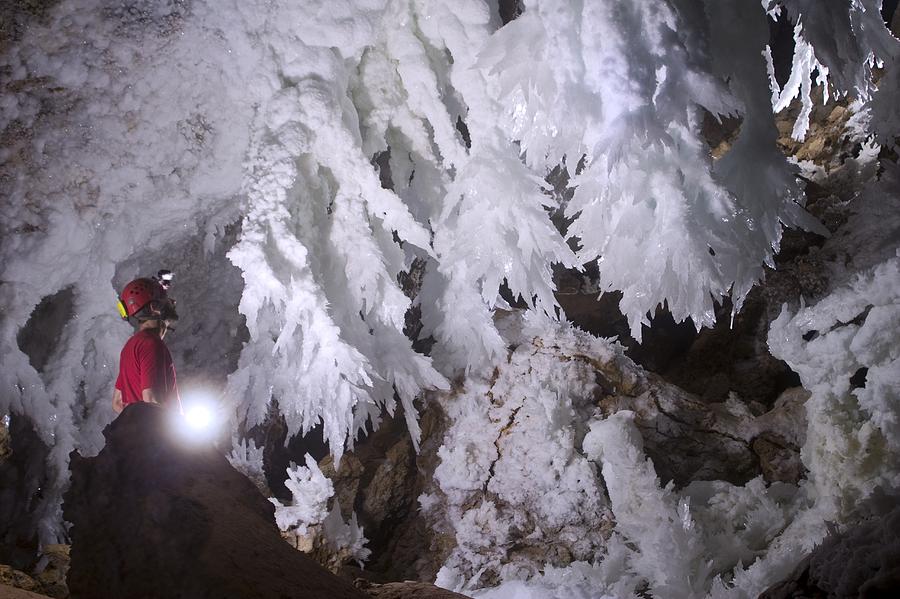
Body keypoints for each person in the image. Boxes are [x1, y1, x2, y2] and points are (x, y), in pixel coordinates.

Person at [112, 273, 182, 414]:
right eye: (165, 298)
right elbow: (151, 399)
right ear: (154, 307)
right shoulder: (151, 344)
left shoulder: (131, 345)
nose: (172, 302)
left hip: (139, 427)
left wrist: (136, 422)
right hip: (159, 427)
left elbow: (117, 403)